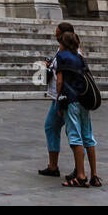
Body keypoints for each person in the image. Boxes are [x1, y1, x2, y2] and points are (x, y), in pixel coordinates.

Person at [55, 29, 101, 188]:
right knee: (88, 136)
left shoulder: (61, 57)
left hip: (71, 100)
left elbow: (59, 82)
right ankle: (94, 175)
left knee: (75, 137)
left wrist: (59, 103)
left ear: (64, 44)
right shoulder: (80, 57)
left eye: (60, 42)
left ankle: (81, 176)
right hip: (84, 100)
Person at [39, 21, 73, 178]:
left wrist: (60, 101)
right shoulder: (66, 52)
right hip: (62, 98)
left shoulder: (67, 54)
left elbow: (60, 80)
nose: (55, 34)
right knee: (54, 128)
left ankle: (76, 171)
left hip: (64, 99)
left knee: (70, 132)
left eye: (57, 32)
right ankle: (54, 166)